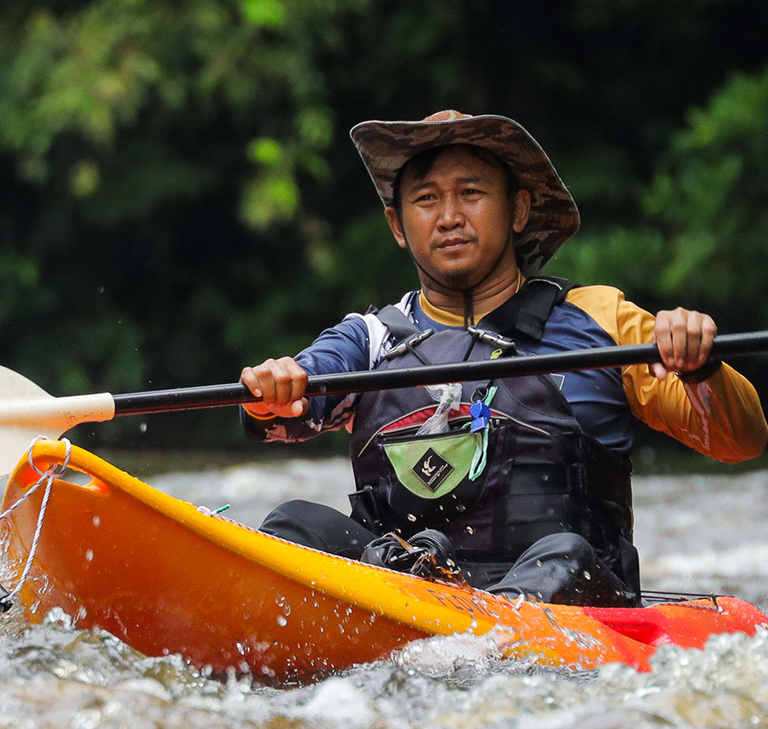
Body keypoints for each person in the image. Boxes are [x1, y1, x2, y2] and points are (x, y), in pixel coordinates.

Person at [240, 110, 768, 606]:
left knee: (566, 554)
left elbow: (742, 441)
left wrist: (701, 369)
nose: (449, 217)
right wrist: (272, 391)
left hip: (565, 596)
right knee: (293, 523)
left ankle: (479, 641)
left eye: (470, 193)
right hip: (407, 594)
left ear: (517, 211)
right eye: (426, 199)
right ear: (398, 225)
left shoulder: (600, 320)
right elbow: (291, 403)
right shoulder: (369, 339)